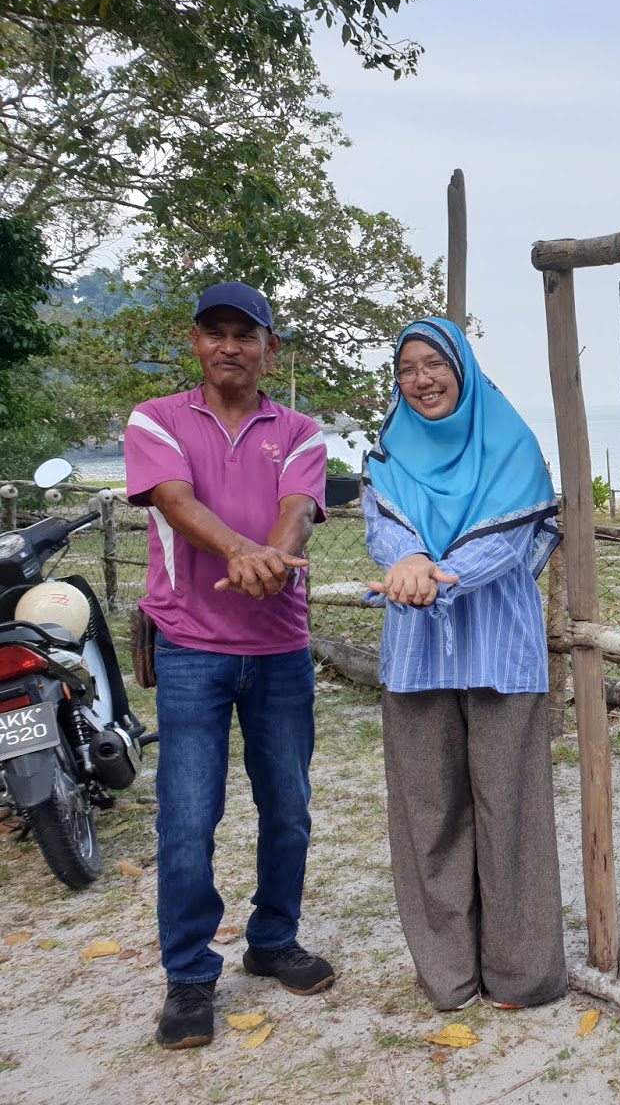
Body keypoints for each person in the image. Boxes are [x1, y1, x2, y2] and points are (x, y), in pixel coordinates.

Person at [124, 282, 334, 1051]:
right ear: (195, 343)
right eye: (214, 332)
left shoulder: (304, 430)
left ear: (269, 347)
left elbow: (300, 509)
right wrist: (244, 554)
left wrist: (273, 555)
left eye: (246, 334)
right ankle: (187, 976)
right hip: (188, 648)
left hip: (279, 650)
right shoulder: (157, 419)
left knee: (289, 808)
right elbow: (174, 500)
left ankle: (273, 939)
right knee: (187, 819)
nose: (230, 347)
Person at [363, 317, 566, 1012]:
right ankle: (447, 975)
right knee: (429, 818)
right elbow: (382, 526)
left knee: (510, 815)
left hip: (501, 655)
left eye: (434, 364)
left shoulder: (510, 442)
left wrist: (439, 572)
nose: (421, 380)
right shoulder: (388, 452)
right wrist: (408, 561)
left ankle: (521, 976)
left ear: (462, 368)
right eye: (407, 369)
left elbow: (511, 542)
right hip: (416, 658)